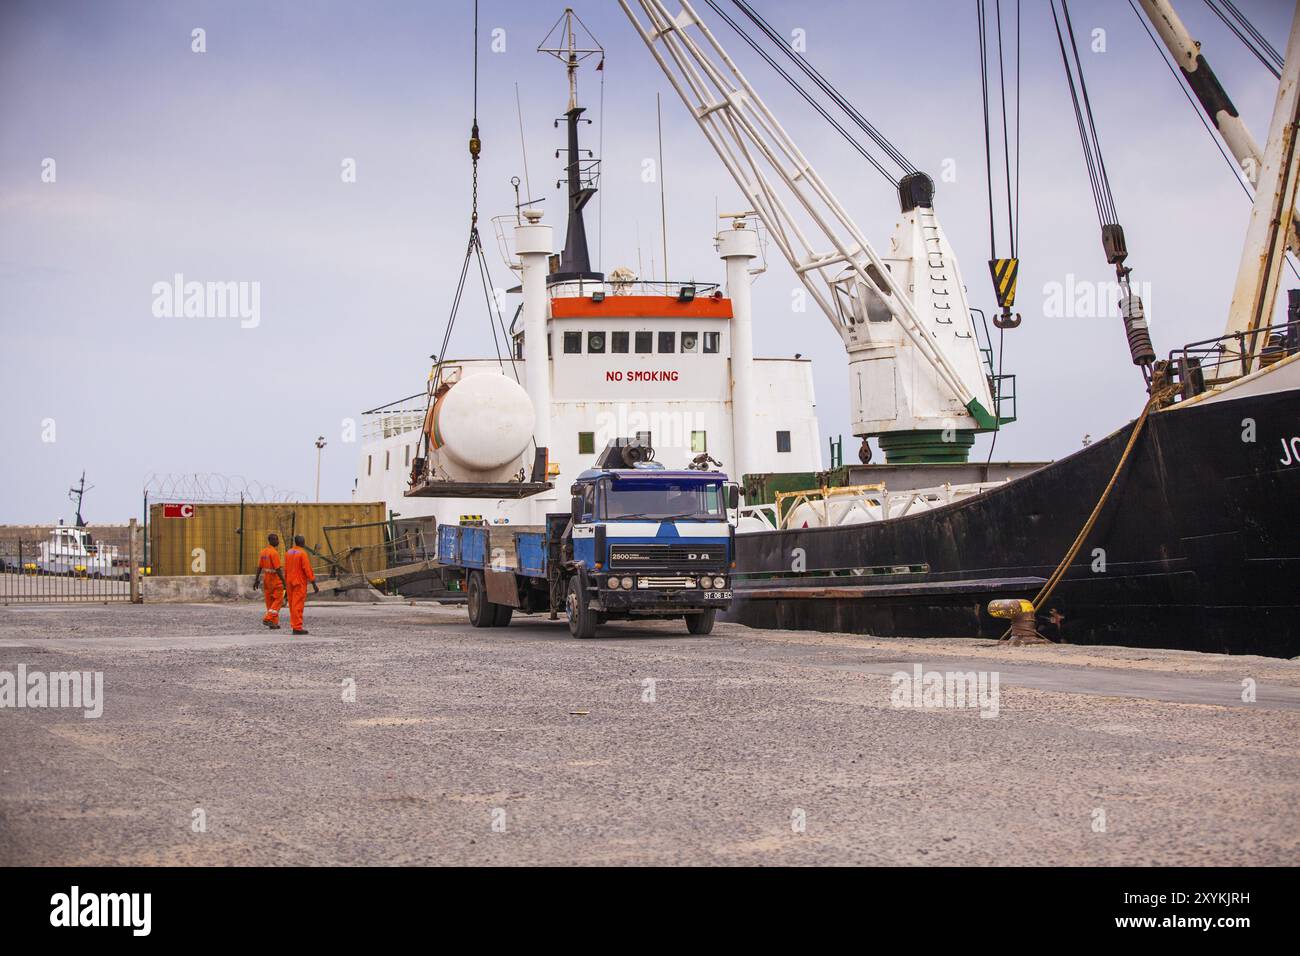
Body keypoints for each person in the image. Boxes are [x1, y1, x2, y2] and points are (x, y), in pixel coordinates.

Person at [284, 534, 319, 635]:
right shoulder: (302, 553)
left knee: (292, 604)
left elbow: (286, 568)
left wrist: (285, 582)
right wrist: (313, 583)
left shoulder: (288, 552)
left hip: (289, 581)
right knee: (298, 605)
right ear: (302, 542)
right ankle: (297, 627)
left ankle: (294, 625)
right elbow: (307, 569)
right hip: (299, 582)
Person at [252, 533, 286, 630]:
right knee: (278, 600)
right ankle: (268, 618)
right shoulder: (274, 553)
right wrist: (284, 581)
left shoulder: (263, 552)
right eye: (276, 540)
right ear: (271, 541)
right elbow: (278, 568)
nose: (278, 541)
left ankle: (273, 623)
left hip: (266, 579)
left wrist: (256, 579)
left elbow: (259, 567)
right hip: (275, 580)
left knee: (270, 602)